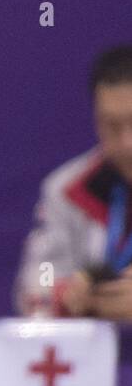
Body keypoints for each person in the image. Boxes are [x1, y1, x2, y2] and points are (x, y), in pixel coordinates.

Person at [14, 45, 132, 322]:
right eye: (112, 125)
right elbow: (34, 288)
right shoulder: (66, 190)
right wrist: (68, 296)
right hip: (94, 358)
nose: (128, 143)